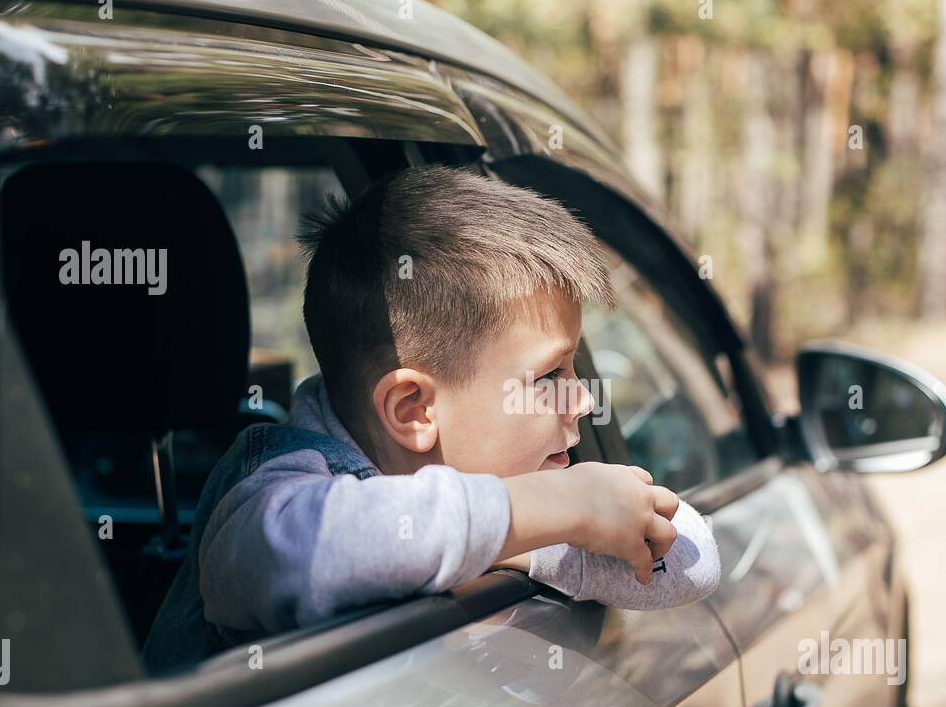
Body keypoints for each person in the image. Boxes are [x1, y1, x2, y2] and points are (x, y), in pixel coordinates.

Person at [141, 165, 720, 673]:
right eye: (548, 377)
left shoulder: (517, 505)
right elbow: (288, 557)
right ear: (414, 410)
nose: (586, 400)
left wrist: (522, 540)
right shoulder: (279, 481)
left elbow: (690, 560)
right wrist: (549, 510)